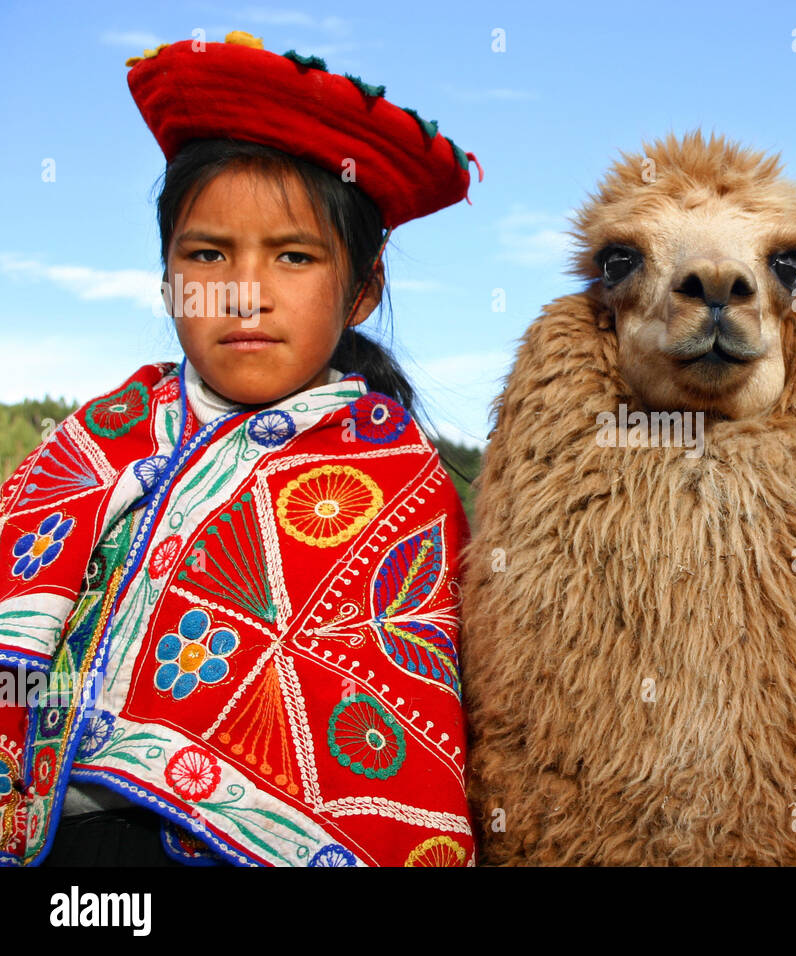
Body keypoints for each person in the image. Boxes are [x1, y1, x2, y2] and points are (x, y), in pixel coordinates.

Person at [0, 31, 482, 866]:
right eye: (207, 253)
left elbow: (416, 712)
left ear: (362, 289)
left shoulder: (400, 482)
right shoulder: (99, 434)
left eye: (294, 256)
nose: (244, 291)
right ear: (167, 277)